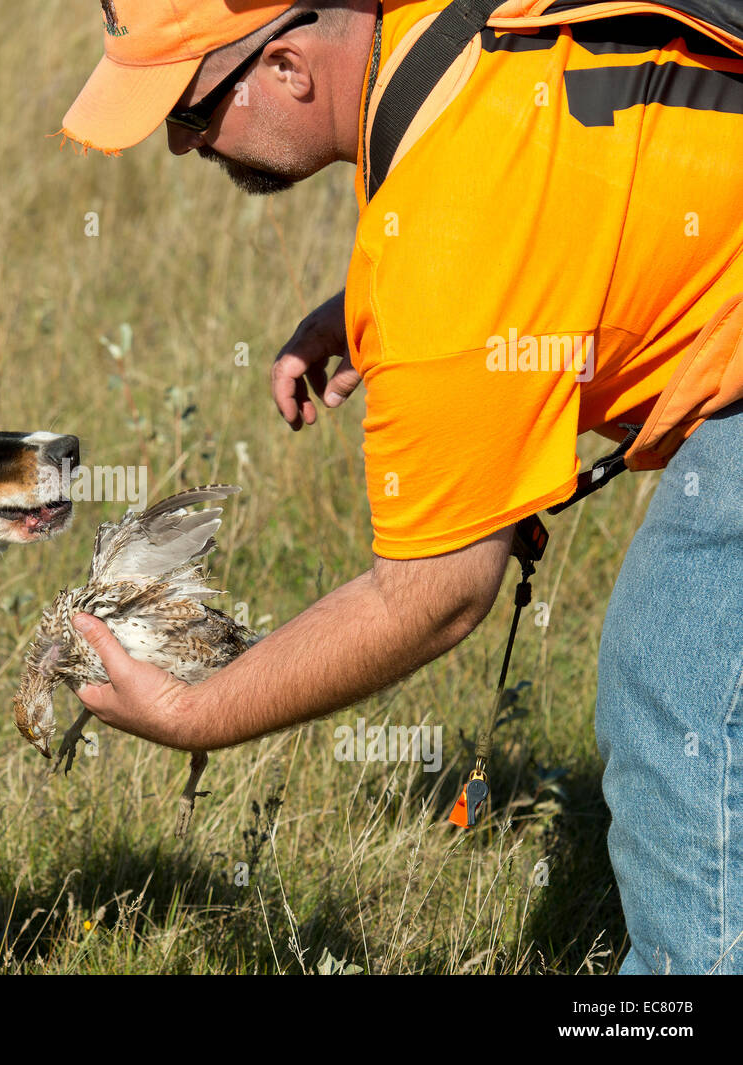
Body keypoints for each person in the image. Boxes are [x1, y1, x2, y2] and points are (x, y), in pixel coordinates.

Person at [57, 0, 743, 974]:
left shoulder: (449, 244)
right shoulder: (447, 34)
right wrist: (362, 308)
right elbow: (570, 181)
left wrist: (194, 712)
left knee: (673, 684)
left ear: (289, 65)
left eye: (191, 113)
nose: (179, 147)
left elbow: (431, 599)